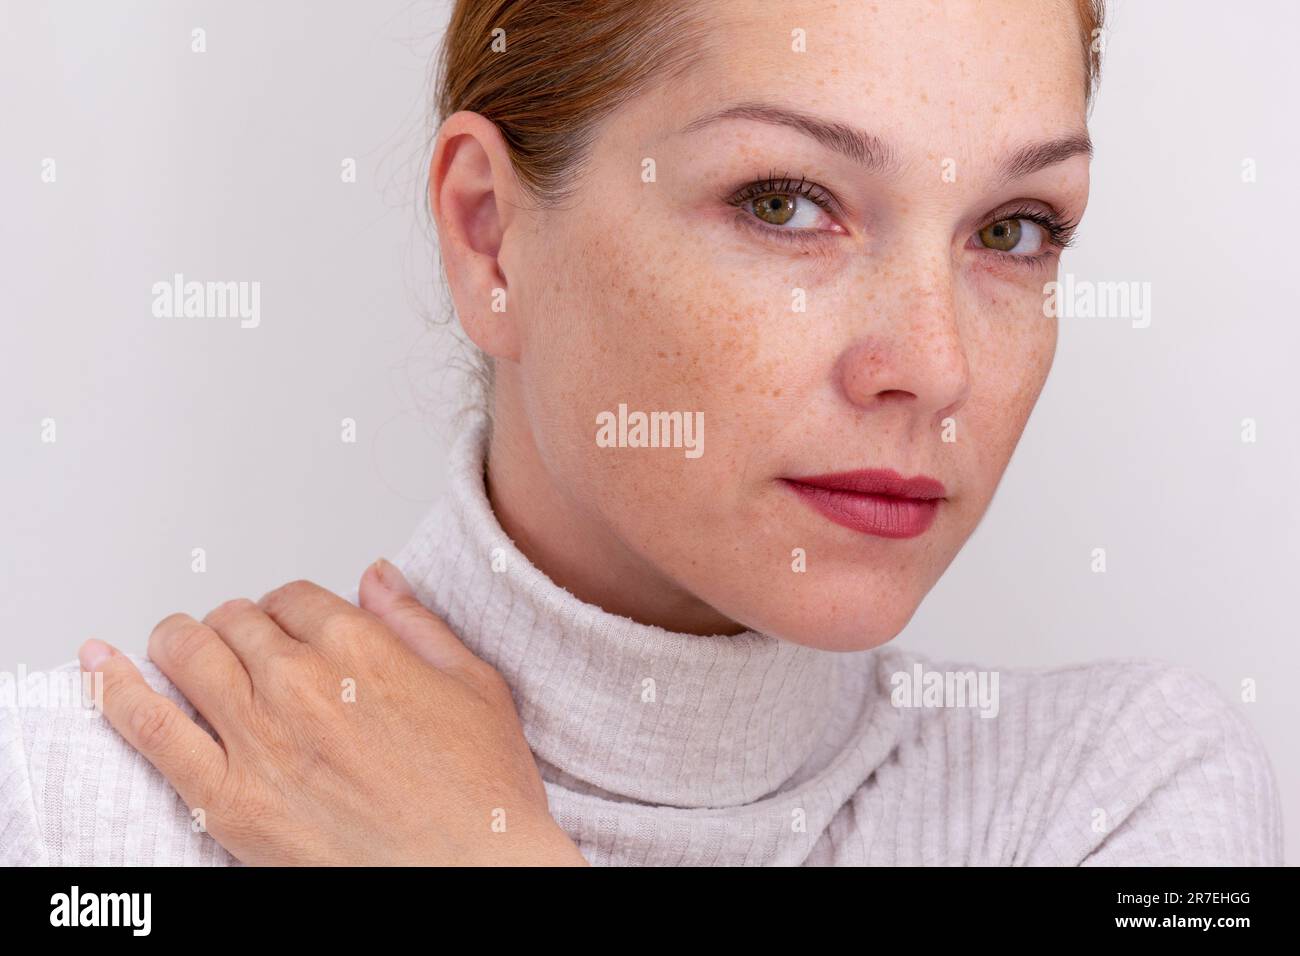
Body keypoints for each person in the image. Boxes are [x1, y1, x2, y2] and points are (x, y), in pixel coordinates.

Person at [0, 0, 1283, 866]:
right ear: (490, 237)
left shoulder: (1119, 803)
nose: (934, 366)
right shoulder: (73, 809)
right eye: (787, 201)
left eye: (1013, 229)